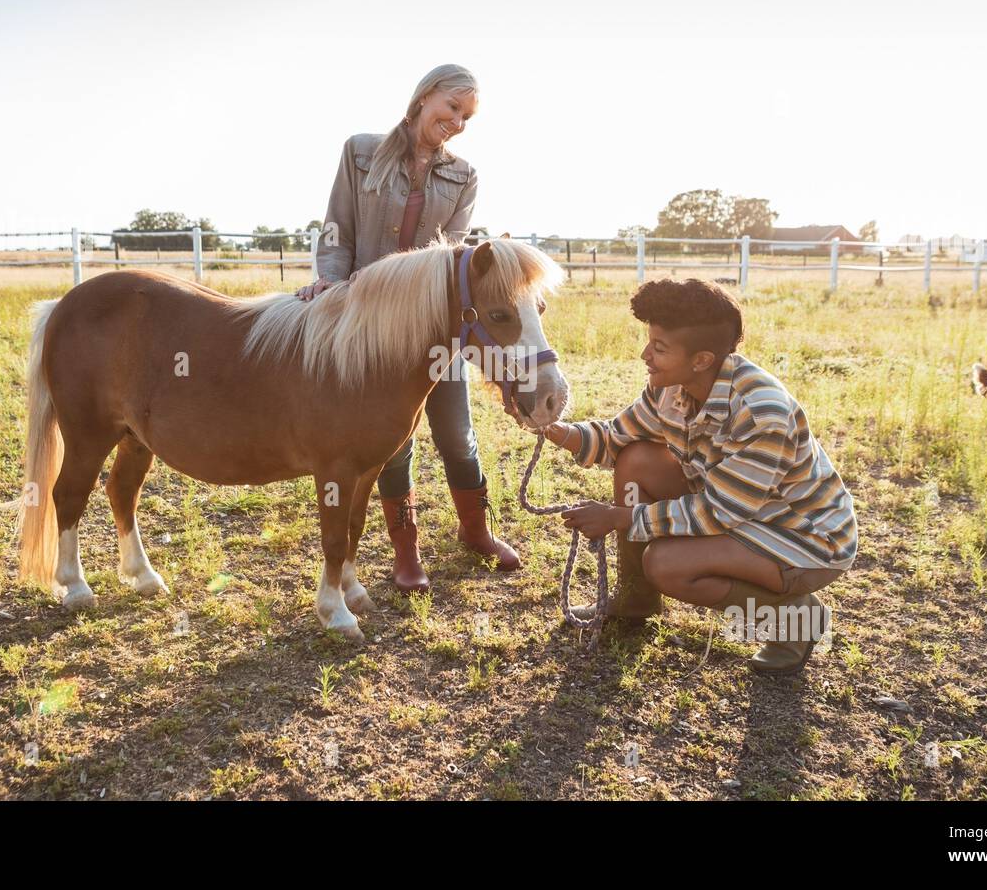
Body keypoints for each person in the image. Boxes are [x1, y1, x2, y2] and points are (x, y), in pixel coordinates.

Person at [543, 278, 858, 674]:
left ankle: (797, 620)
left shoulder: (762, 414)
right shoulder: (669, 388)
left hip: (804, 538)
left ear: (702, 360)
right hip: (742, 509)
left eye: (659, 348)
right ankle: (635, 600)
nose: (645, 355)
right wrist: (553, 429)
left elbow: (718, 514)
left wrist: (618, 518)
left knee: (667, 564)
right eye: (649, 342)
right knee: (636, 458)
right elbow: (614, 437)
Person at [295, 64, 519, 593]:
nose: (458, 121)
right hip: (370, 326)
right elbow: (338, 224)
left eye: (467, 116)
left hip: (435, 327)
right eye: (452, 107)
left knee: (456, 434)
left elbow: (454, 253)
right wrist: (328, 280)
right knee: (391, 441)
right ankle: (406, 551)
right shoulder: (360, 152)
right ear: (424, 98)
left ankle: (477, 531)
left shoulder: (464, 175)